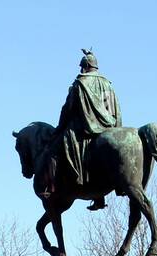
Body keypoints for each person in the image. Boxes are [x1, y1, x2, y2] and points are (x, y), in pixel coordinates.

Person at [46, 49, 121, 211]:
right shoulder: (107, 83)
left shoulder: (79, 83)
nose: (81, 70)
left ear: (85, 66)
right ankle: (99, 197)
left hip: (84, 127)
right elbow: (112, 109)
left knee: (54, 149)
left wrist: (59, 128)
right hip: (107, 127)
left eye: (82, 66)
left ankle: (52, 187)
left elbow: (68, 109)